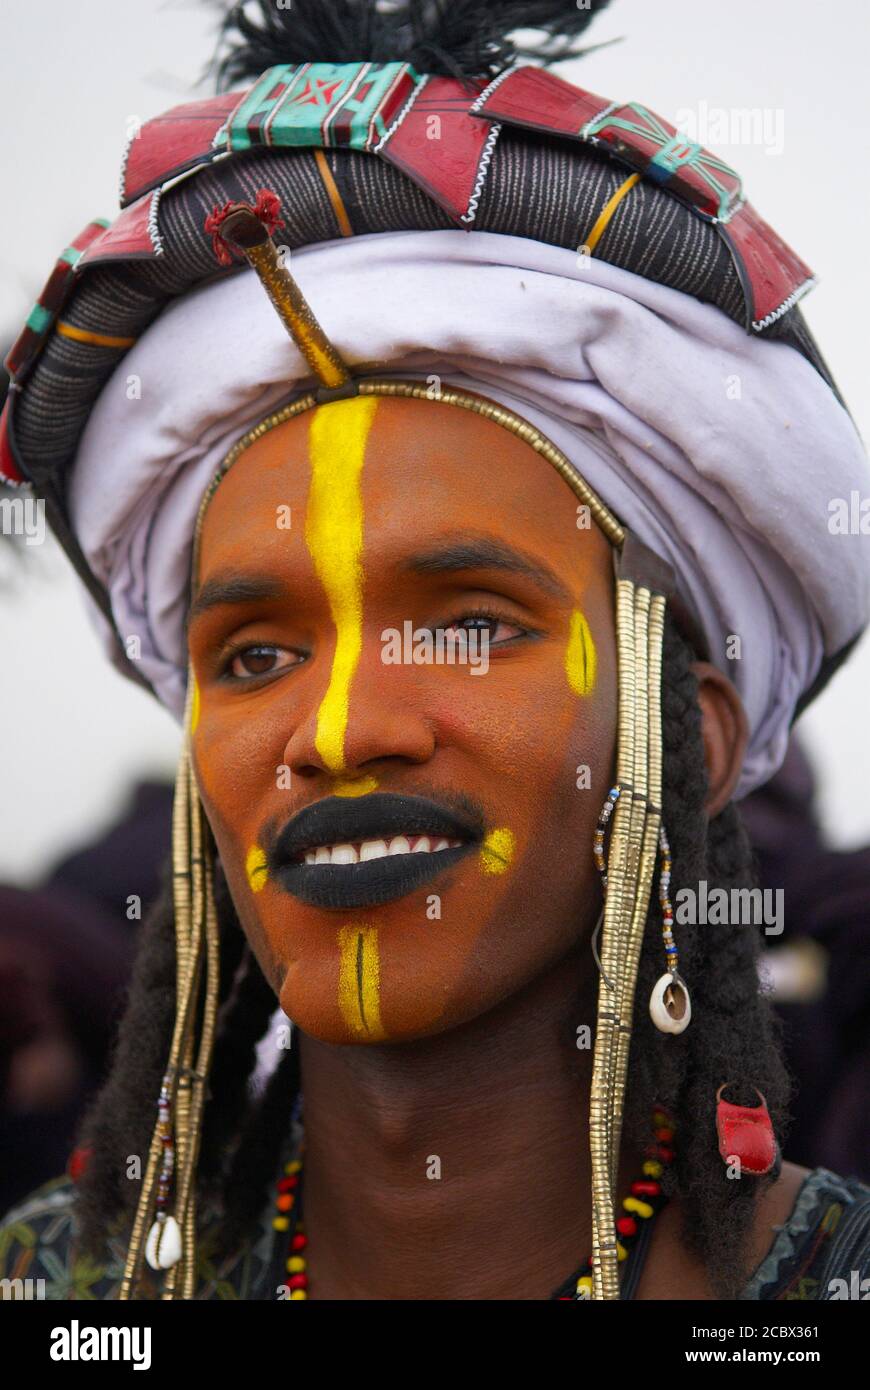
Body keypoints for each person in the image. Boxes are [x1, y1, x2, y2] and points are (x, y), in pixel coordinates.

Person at [1, 0, 868, 1302]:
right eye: (249, 655)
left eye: (466, 624)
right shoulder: (70, 1293)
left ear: (691, 728)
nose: (341, 728)